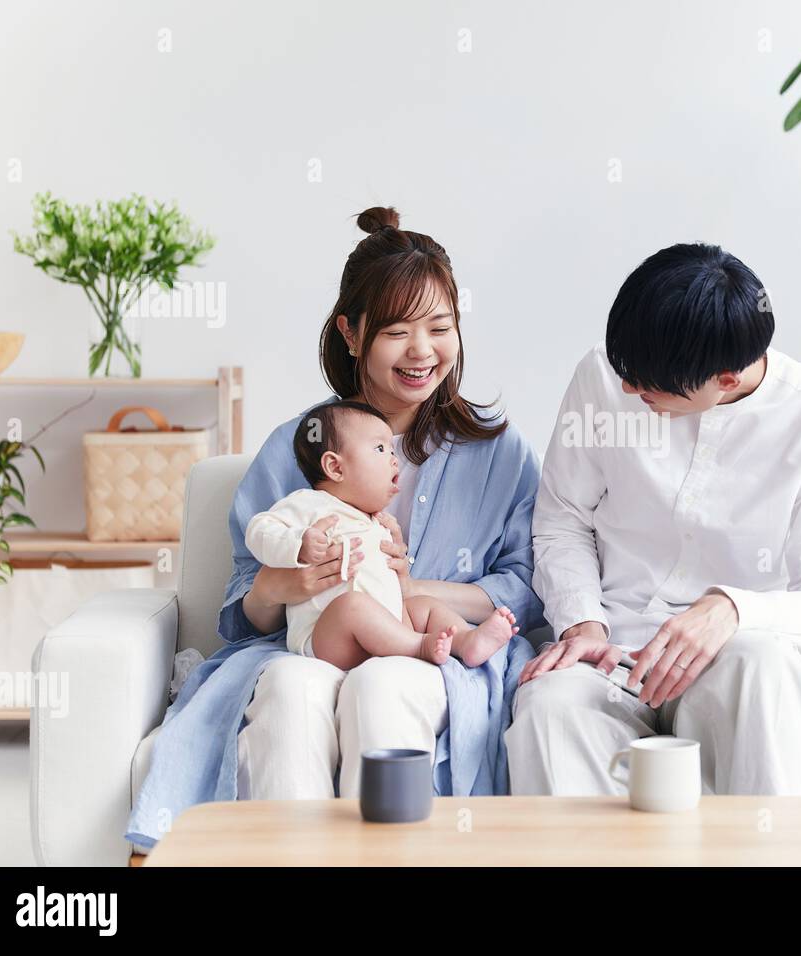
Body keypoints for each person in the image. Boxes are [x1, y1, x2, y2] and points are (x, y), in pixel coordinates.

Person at [126, 206, 541, 850]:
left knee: (385, 685)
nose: (422, 352)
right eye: (398, 331)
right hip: (306, 647)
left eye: (440, 327)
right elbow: (244, 613)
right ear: (351, 334)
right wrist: (289, 580)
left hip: (430, 652)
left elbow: (525, 584)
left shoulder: (501, 453)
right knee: (292, 692)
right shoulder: (298, 448)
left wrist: (413, 592)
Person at [506, 242, 801, 796]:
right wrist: (582, 621)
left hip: (735, 658)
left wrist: (731, 608)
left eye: (648, 384)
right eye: (626, 372)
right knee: (547, 705)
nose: (629, 388)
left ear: (726, 378)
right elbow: (562, 518)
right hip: (613, 647)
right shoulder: (605, 377)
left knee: (762, 667)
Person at [245, 399, 519, 669]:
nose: (394, 459)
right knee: (352, 606)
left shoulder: (377, 521)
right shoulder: (309, 504)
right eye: (380, 449)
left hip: (387, 628)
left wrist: (393, 546)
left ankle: (466, 641)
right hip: (326, 636)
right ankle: (419, 646)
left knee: (424, 605)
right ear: (336, 467)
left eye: (391, 449)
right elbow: (259, 529)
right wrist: (298, 545)